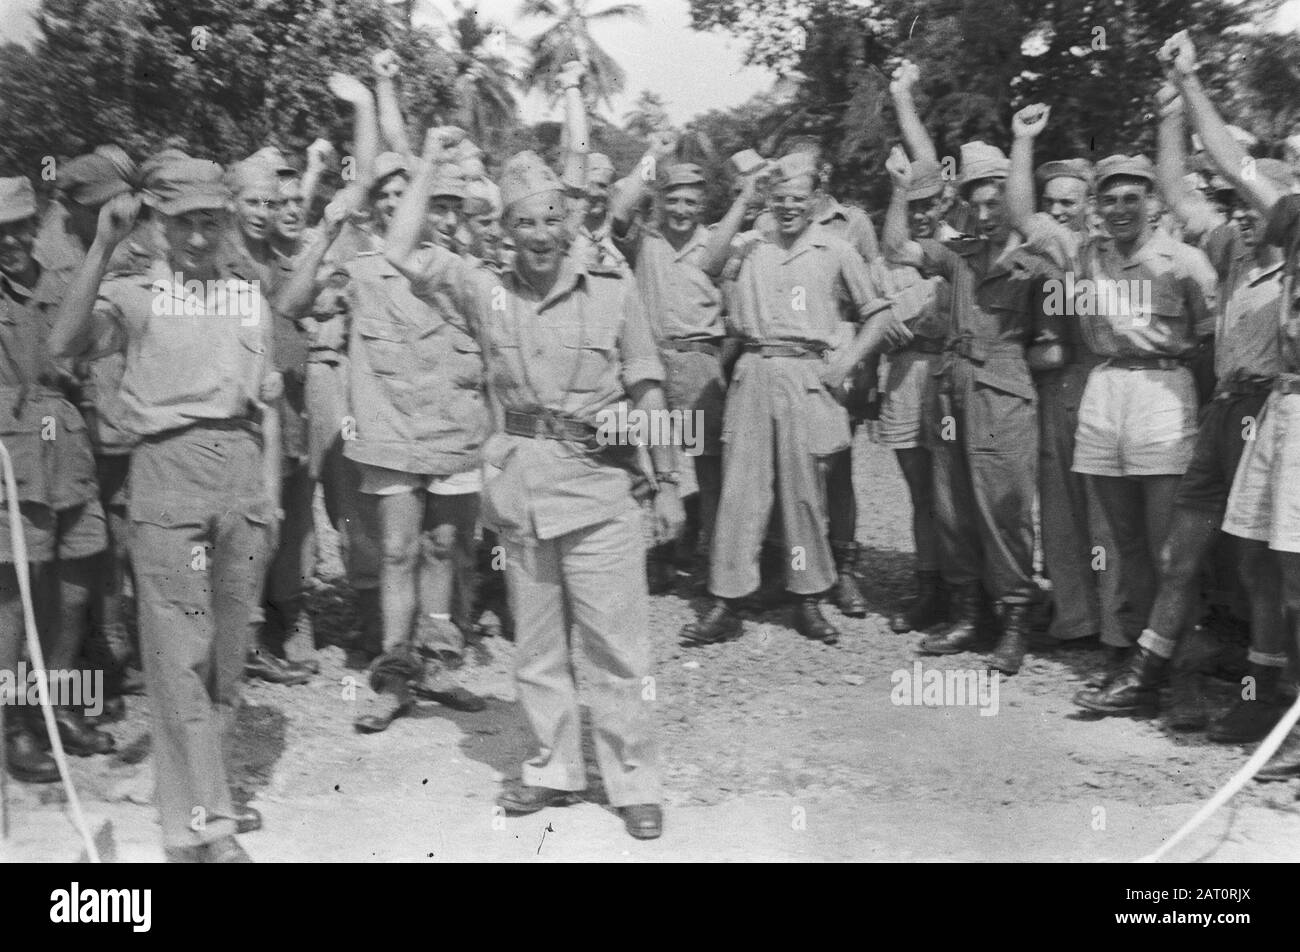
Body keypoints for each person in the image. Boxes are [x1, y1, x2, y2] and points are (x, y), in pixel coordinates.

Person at [388, 144, 682, 840]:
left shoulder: (613, 288)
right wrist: (429, 163)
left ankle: (633, 780)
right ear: (506, 231)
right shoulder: (482, 287)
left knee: (618, 648)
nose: (542, 234)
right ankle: (552, 768)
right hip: (521, 486)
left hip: (601, 485)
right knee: (538, 650)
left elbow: (648, 386)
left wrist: (668, 481)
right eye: (526, 223)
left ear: (571, 222)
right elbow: (400, 247)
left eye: (553, 219)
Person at [51, 154, 282, 862]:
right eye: (185, 224)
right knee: (180, 653)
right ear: (159, 223)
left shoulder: (249, 296)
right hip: (167, 473)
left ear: (228, 220)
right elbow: (61, 346)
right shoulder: (133, 294)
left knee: (226, 659)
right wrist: (101, 244)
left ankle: (184, 818)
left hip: (241, 477)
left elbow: (266, 403)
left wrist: (268, 494)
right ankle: (210, 827)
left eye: (212, 221)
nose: (201, 238)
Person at [1077, 38, 1292, 740]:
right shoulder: (1229, 248)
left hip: (1274, 408)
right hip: (1229, 410)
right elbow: (1177, 186)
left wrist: (1195, 82)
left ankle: (1263, 692)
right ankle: (1147, 674)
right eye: (1232, 200)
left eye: (1254, 199)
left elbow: (1235, 161)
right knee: (1180, 552)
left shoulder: (1286, 250)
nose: (1239, 208)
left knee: (1266, 565)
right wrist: (1175, 105)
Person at [1006, 105, 1218, 672]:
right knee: (1120, 538)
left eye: (1133, 198)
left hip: (1161, 390)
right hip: (1104, 387)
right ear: (1096, 207)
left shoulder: (1185, 262)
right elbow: (1025, 216)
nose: (1121, 209)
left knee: (1164, 541)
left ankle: (1179, 667)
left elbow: (1210, 339)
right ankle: (1131, 650)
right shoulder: (1085, 255)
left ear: (1152, 202)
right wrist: (1024, 140)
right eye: (1110, 199)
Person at [679, 152, 900, 648]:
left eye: (798, 199)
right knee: (741, 490)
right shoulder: (750, 245)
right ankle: (728, 601)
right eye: (779, 199)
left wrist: (846, 363)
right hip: (753, 372)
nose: (788, 208)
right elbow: (707, 263)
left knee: (803, 493)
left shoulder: (836, 249)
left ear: (816, 200)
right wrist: (743, 196)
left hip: (806, 376)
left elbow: (879, 314)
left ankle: (808, 596)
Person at [885, 141, 1067, 675]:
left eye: (995, 205)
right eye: (976, 206)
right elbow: (897, 248)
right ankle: (967, 614)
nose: (985, 216)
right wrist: (899, 190)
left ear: (1013, 203)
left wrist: (1002, 360)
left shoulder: (1039, 267)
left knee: (1005, 509)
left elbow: (1054, 347)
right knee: (951, 503)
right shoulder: (958, 254)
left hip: (1002, 393)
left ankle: (1013, 620)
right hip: (947, 388)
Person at [0, 175, 111, 781]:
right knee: (13, 597)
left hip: (68, 447)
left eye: (20, 227)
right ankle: (12, 725)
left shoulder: (63, 286)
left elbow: (86, 358)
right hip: (10, 458)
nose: (11, 241)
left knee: (76, 585)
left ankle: (58, 704)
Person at [609, 140, 726, 584]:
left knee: (706, 465)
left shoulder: (716, 245)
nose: (680, 209)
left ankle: (711, 559)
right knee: (655, 461)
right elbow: (620, 211)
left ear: (702, 206)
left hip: (698, 365)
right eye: (673, 200)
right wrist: (650, 158)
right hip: (654, 369)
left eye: (690, 202)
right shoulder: (645, 241)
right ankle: (660, 551)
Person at [223, 154, 317, 685]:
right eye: (253, 201)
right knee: (248, 523)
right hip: (244, 412)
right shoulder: (219, 262)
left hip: (289, 410)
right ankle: (248, 636)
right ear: (232, 202)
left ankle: (283, 622)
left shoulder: (284, 259)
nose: (263, 212)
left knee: (288, 523)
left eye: (272, 203)